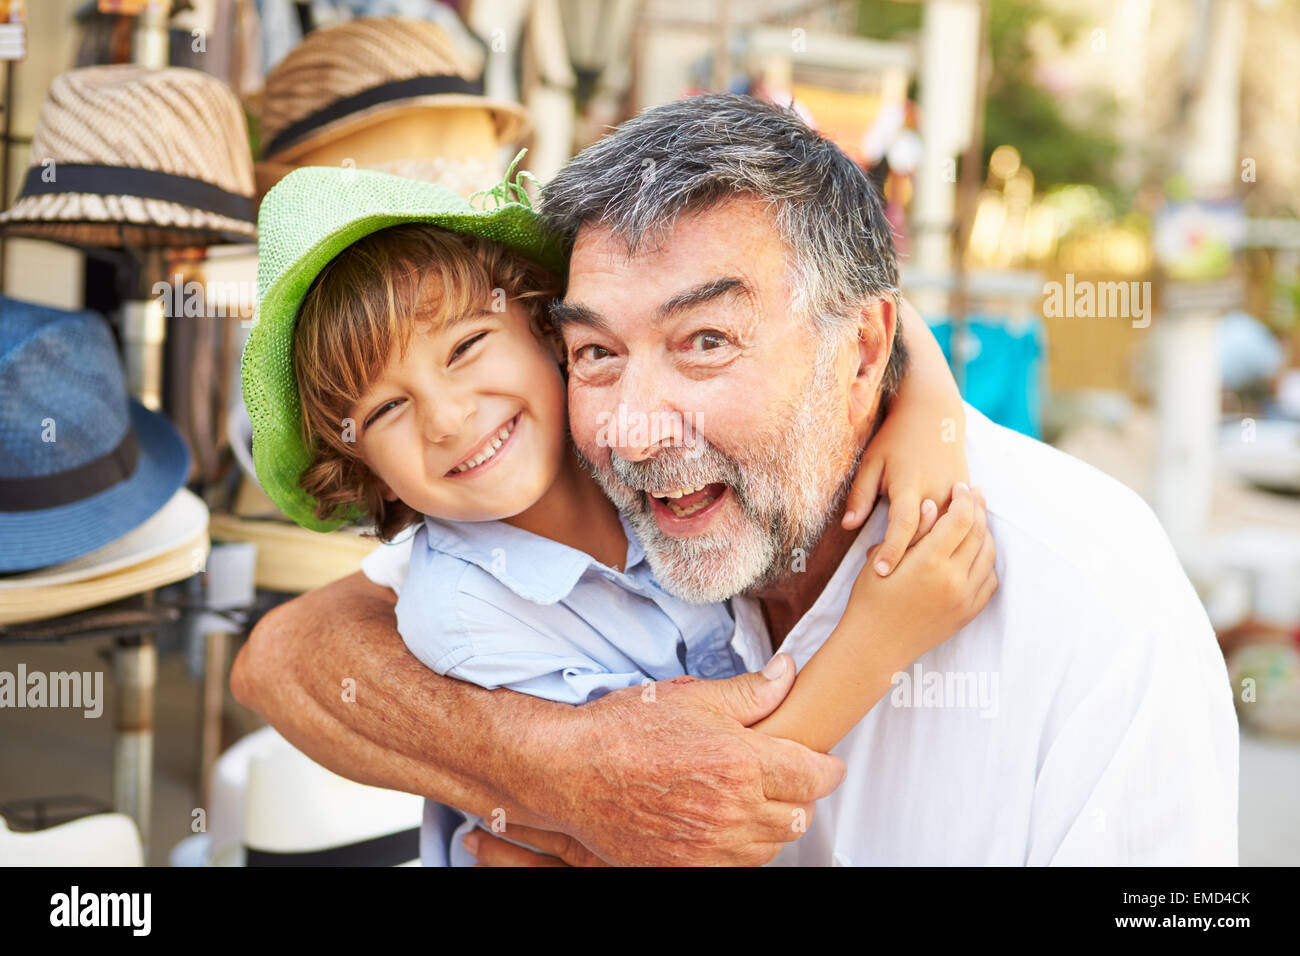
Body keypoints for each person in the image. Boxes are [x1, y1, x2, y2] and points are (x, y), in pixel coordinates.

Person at [235, 94, 1238, 866]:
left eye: (705, 340)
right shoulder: (570, 507)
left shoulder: (1093, 599)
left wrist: (926, 398)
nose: (637, 425)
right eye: (598, 354)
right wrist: (551, 763)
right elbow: (282, 654)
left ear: (860, 346)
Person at [240, 158, 991, 866]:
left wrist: (928, 402)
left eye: (466, 347)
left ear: (550, 331)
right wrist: (885, 635)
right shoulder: (464, 614)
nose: (445, 418)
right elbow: (698, 796)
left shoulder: (632, 454)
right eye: (388, 409)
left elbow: (842, 304)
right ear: (368, 469)